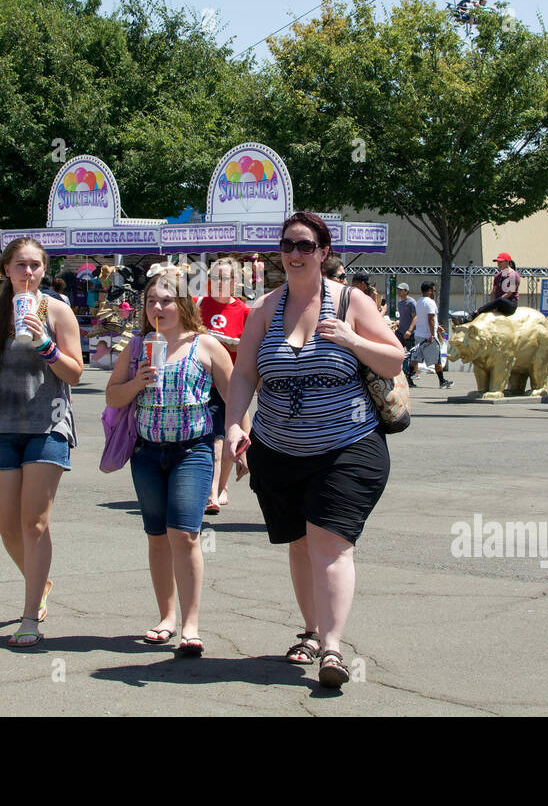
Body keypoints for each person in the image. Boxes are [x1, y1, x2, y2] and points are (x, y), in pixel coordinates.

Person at [224, 211, 403, 689]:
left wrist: (349, 337)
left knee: (328, 540)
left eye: (306, 245)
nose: (295, 254)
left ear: (324, 252)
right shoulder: (264, 308)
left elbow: (395, 357)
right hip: (277, 448)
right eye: (288, 246)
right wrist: (233, 427)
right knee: (300, 543)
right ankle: (310, 628)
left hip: (347, 445)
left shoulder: (351, 301)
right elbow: (244, 375)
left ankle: (332, 648)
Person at [0, 237, 83, 648]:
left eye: (36, 266)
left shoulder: (58, 310)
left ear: (44, 270)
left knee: (34, 522)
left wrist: (46, 345)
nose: (28, 272)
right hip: (1, 423)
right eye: (20, 265)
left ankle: (29, 617)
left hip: (48, 424)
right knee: (7, 525)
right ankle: (38, 583)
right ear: (5, 269)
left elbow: (75, 373)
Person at [108, 269, 234, 657]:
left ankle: (190, 625)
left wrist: (239, 437)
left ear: (182, 304)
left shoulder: (205, 345)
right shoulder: (136, 348)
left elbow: (235, 395)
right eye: (151, 302)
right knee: (157, 536)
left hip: (192, 451)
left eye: (165, 300)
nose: (157, 307)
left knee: (185, 534)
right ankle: (166, 616)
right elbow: (113, 398)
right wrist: (137, 382)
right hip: (146, 453)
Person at [198, 258, 252, 512]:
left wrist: (232, 344)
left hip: (229, 384)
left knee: (222, 439)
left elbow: (252, 349)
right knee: (212, 440)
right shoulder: (198, 305)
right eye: (215, 278)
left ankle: (219, 487)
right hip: (200, 382)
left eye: (225, 278)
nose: (220, 283)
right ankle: (211, 491)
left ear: (235, 282)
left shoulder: (244, 312)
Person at [409, 282, 452, 388]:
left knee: (416, 358)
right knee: (437, 359)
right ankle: (442, 382)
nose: (434, 292)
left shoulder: (419, 302)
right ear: (429, 291)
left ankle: (408, 379)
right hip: (428, 335)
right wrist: (433, 334)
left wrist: (437, 327)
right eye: (433, 290)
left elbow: (425, 319)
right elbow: (430, 319)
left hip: (419, 334)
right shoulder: (430, 302)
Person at [456, 252, 521, 323]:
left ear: (507, 262)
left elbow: (509, 293)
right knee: (497, 302)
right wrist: (493, 303)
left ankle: (473, 314)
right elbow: (493, 292)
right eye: (497, 262)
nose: (498, 264)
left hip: (510, 304)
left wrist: (496, 304)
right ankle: (466, 320)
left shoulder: (514, 275)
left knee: (500, 300)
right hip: (498, 303)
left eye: (500, 262)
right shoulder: (497, 276)